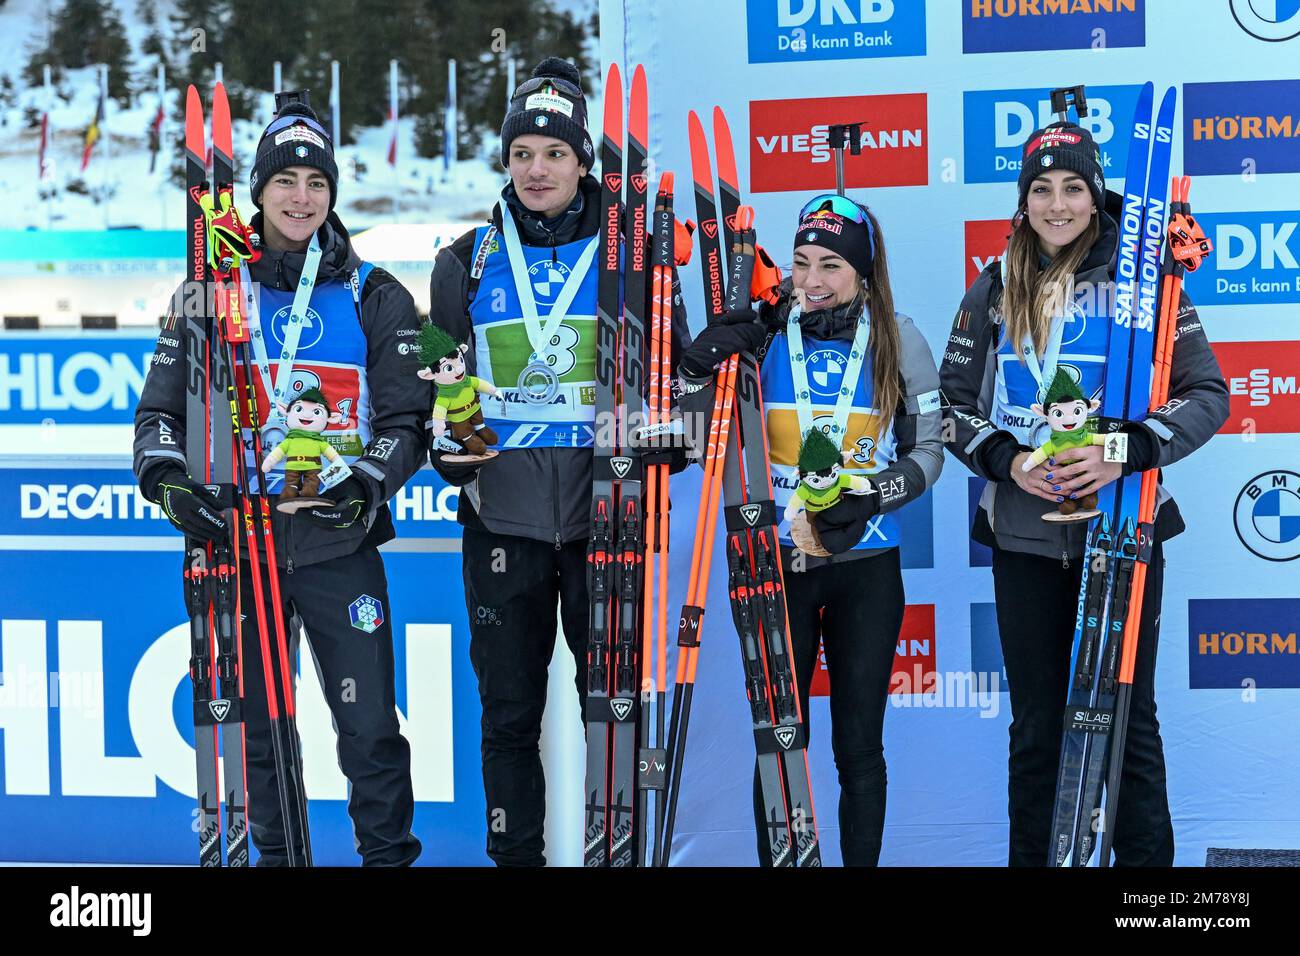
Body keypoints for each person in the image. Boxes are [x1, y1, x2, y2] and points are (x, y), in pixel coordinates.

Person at [133, 94, 426, 866]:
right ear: (258, 191)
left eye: (316, 182)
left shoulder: (374, 293)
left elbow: (409, 423)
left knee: (368, 730)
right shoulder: (209, 292)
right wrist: (167, 481)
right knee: (261, 734)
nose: (301, 196)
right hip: (241, 544)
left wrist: (364, 486)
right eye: (285, 179)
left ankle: (388, 860)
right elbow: (158, 416)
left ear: (332, 193)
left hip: (336, 544)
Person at [939, 121, 1228, 866]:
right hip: (1025, 536)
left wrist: (1121, 450)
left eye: (1073, 188)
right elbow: (951, 406)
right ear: (1024, 200)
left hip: (1123, 529)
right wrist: (1009, 461)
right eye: (1042, 189)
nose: (1058, 204)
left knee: (1129, 719)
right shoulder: (995, 283)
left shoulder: (1147, 282)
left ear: (1096, 197)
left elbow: (1206, 395)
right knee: (1037, 728)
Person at [425, 56, 690, 866]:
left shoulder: (634, 256)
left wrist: (666, 439)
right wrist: (449, 453)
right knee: (508, 716)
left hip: (605, 518)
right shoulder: (465, 261)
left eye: (554, 154)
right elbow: (444, 390)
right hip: (501, 521)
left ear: (584, 163)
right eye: (521, 154)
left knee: (608, 709)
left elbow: (669, 385)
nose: (536, 170)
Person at [676, 195, 944, 866]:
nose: (813, 280)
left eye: (831, 264)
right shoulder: (766, 332)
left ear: (864, 271)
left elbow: (929, 453)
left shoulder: (899, 337)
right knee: (779, 742)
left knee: (859, 748)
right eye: (800, 263)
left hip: (866, 566)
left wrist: (870, 499)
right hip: (774, 563)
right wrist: (695, 367)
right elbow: (683, 439)